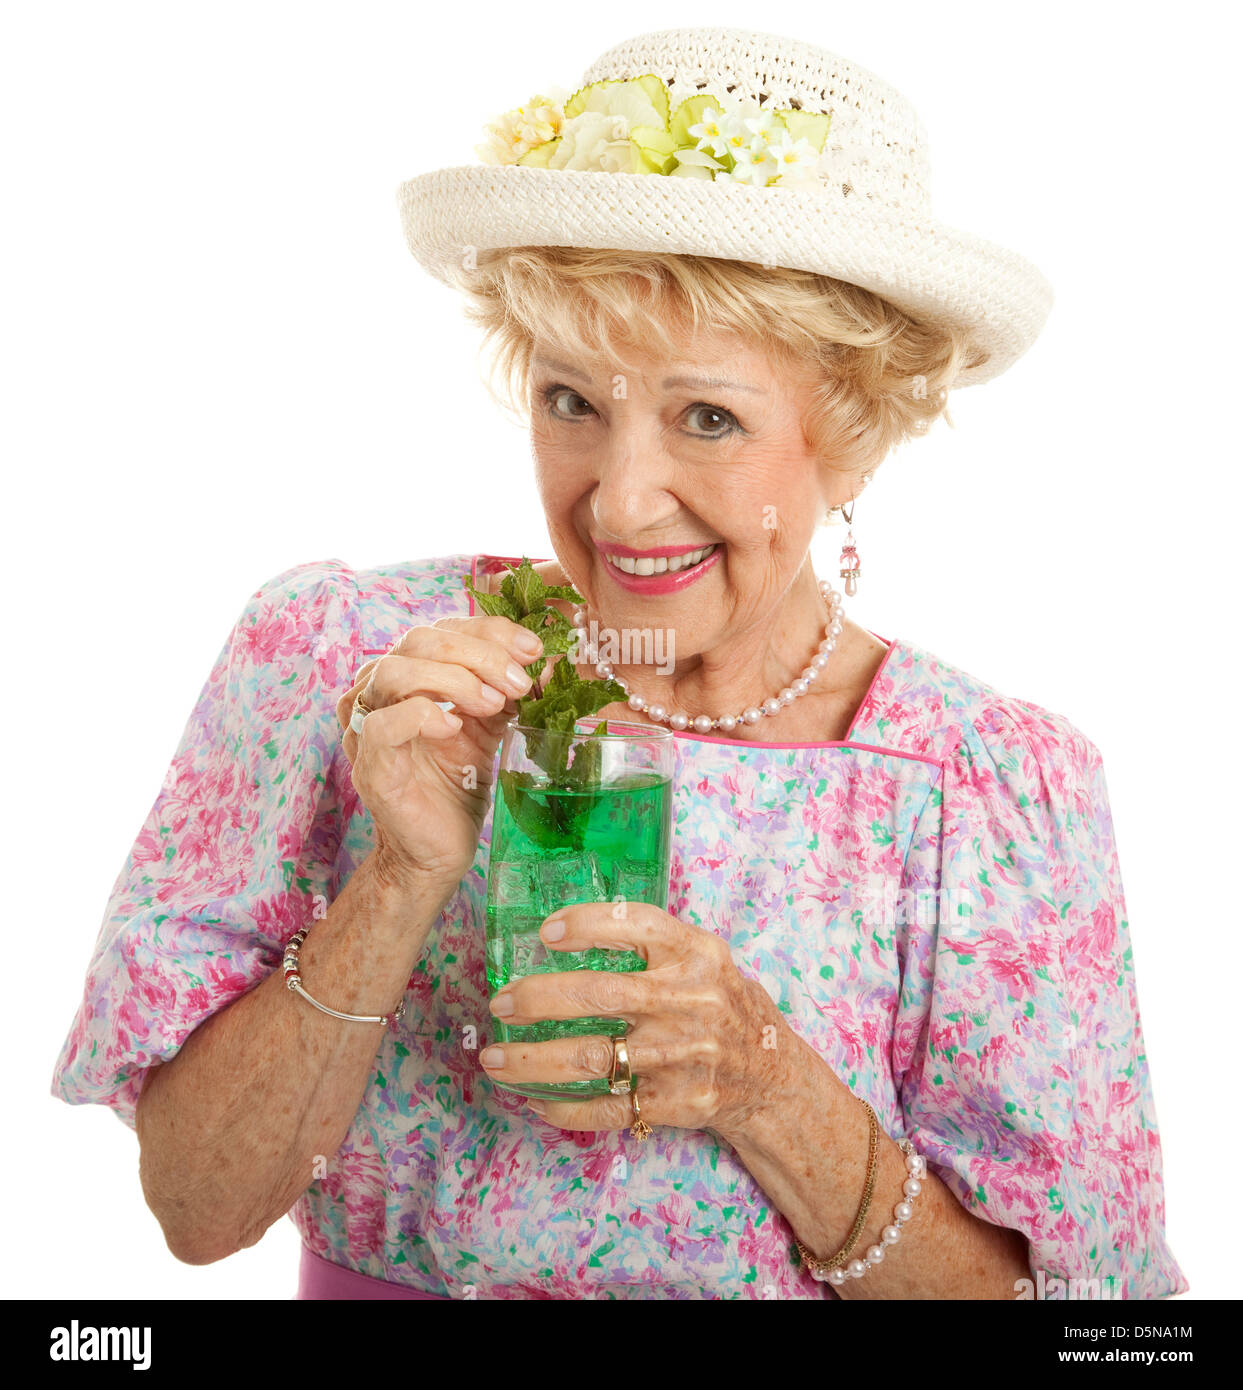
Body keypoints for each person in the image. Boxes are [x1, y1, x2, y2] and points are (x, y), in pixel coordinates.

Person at [51, 26, 1187, 1300]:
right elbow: (195, 1212)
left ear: (852, 437)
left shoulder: (980, 791)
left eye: (708, 418)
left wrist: (768, 1082)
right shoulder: (342, 665)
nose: (621, 502)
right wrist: (401, 876)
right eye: (570, 401)